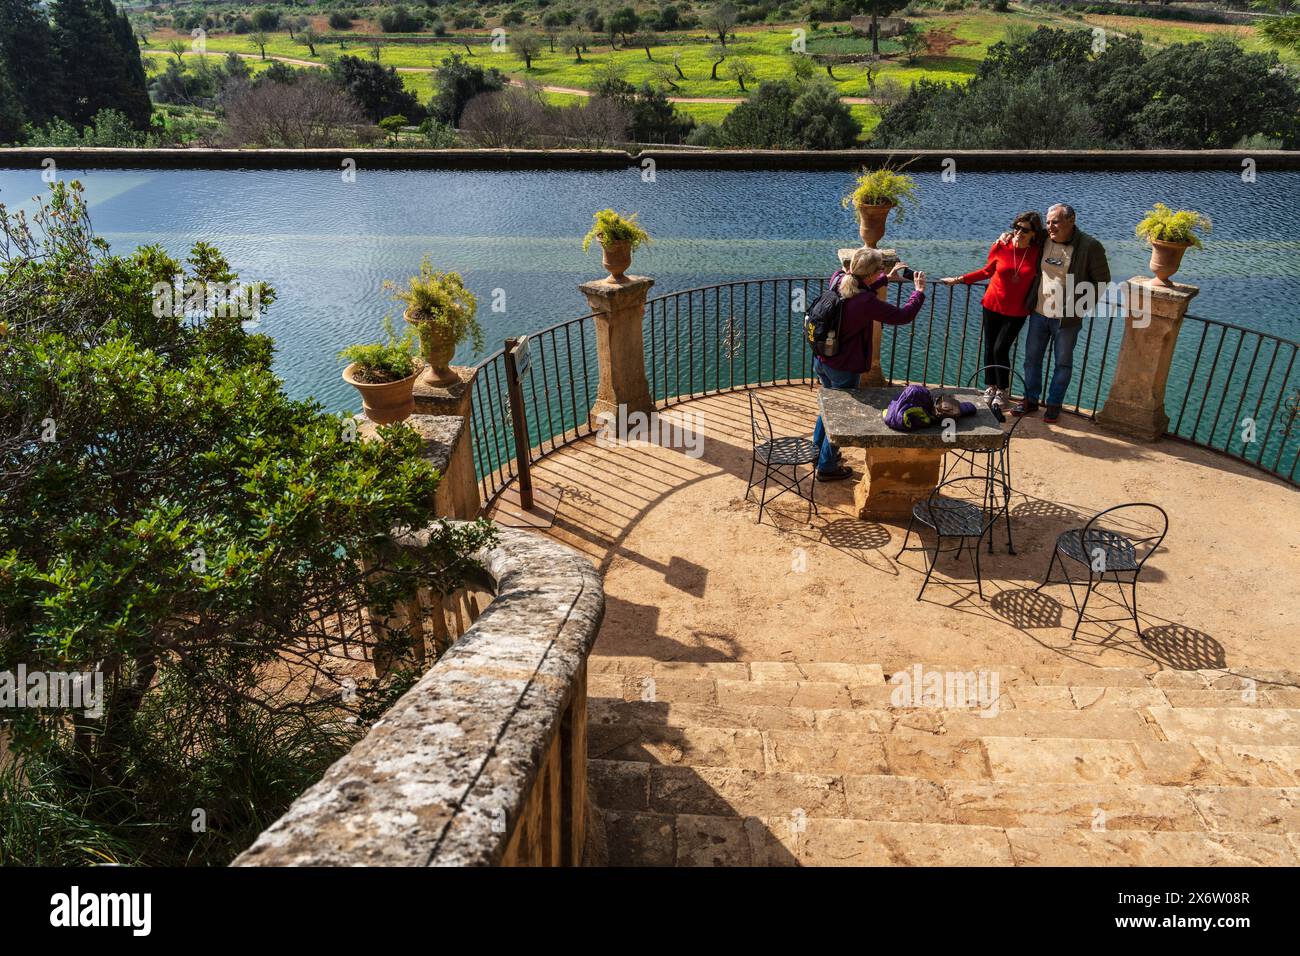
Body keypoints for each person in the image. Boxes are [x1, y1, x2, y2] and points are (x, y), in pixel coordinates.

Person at [812, 246, 926, 481]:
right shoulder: (865, 302)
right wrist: (918, 292)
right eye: (880, 269)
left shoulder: (838, 278)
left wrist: (886, 277)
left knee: (827, 408)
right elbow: (903, 316)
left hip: (823, 359)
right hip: (844, 367)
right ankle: (826, 466)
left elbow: (857, 286)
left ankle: (816, 451)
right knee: (840, 416)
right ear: (872, 273)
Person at [1010, 203, 1110, 424]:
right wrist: (1005, 236)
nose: (1050, 226)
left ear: (1071, 220)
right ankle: (1030, 400)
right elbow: (1020, 234)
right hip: (1038, 312)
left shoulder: (1090, 246)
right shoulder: (1043, 237)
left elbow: (1102, 281)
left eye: (1055, 221)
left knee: (1062, 363)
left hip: (1067, 319)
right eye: (1047, 222)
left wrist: (1080, 307)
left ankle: (1054, 405)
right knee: (1031, 360)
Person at [939, 211, 1044, 412]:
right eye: (1016, 227)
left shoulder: (1038, 251)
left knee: (1000, 349)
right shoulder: (1001, 246)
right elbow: (987, 271)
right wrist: (959, 279)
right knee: (989, 347)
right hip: (992, 304)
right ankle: (990, 387)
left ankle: (1002, 390)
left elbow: (1054, 234)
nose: (1018, 232)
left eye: (1025, 230)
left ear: (1034, 233)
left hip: (1017, 311)